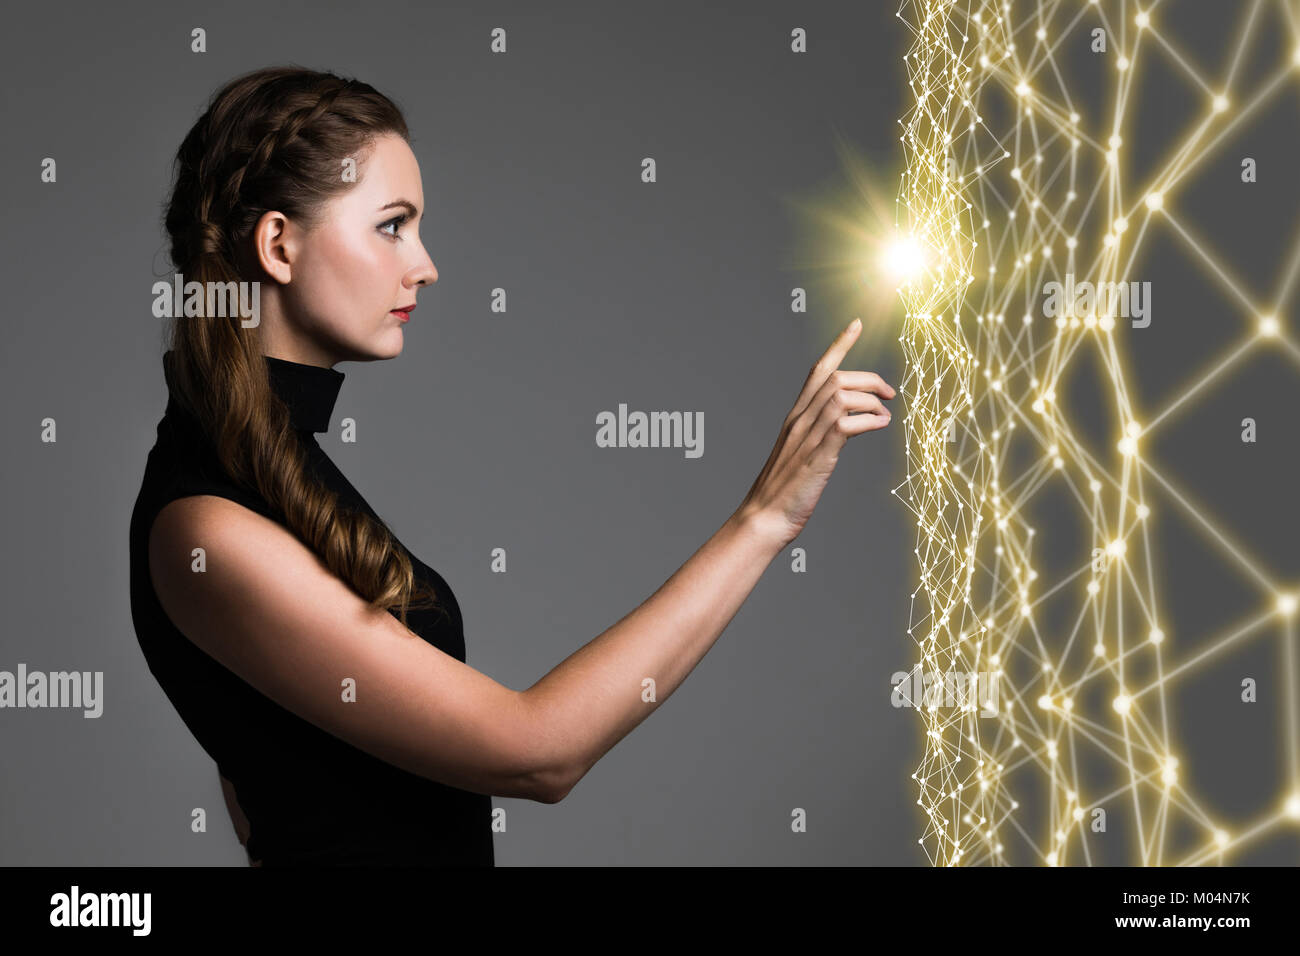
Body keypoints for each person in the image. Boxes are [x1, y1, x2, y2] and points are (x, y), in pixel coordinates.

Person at [129, 65, 895, 867]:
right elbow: (539, 753)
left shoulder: (272, 473)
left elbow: (261, 788)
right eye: (392, 226)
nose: (424, 266)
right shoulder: (208, 524)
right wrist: (764, 519)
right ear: (278, 245)